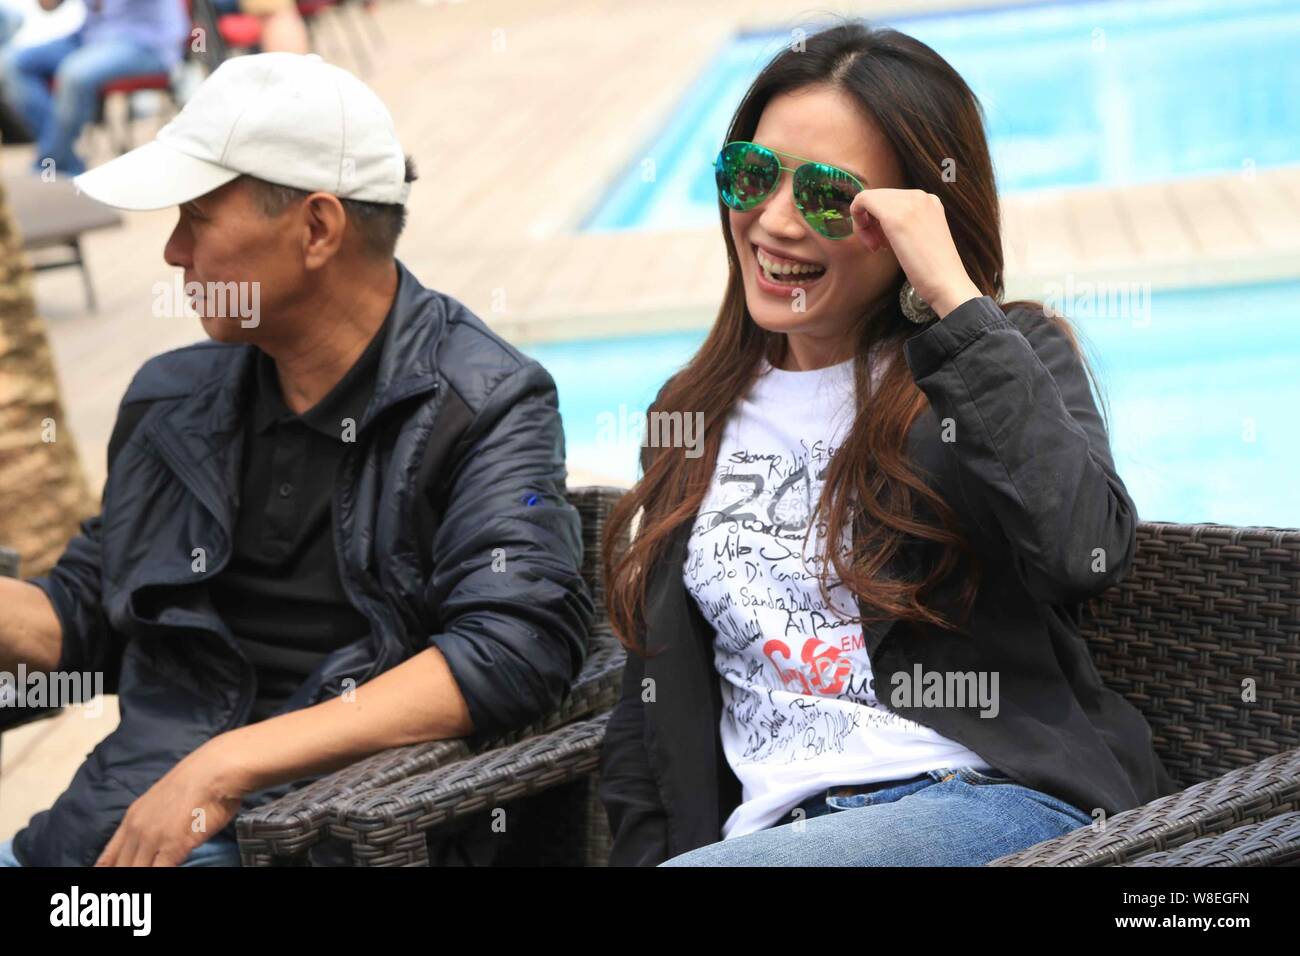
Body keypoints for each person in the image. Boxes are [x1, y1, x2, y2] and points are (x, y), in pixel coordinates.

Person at [596, 19, 1180, 867]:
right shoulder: (691, 414)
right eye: (753, 176)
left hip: (990, 806)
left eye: (832, 196)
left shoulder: (998, 358)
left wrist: (955, 296)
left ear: (913, 219)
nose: (777, 221)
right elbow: (645, 717)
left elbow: (1083, 552)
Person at [0, 51, 592, 866]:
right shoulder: (174, 400)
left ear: (316, 228)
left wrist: (227, 765)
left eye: (198, 217)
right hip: (108, 831)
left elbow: (514, 650)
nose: (174, 252)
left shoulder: (483, 405)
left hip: (316, 833)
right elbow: (93, 612)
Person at [1, 0, 188, 177]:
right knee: (11, 64)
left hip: (146, 43)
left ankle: (51, 163)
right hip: (90, 38)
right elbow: (48, 6)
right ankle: (64, 156)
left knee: (75, 73)